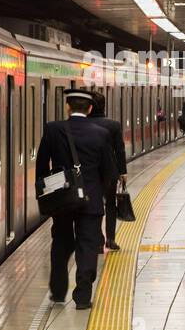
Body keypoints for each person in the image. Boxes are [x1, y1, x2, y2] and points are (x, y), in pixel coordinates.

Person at [36, 88, 117, 309]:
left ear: (68, 108)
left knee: (61, 242)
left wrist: (46, 196)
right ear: (90, 109)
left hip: (62, 199)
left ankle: (59, 291)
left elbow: (42, 166)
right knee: (88, 245)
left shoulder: (53, 130)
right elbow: (110, 171)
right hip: (90, 200)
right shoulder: (101, 133)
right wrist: (98, 191)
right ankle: (82, 297)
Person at [89, 90, 127, 252]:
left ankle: (98, 240)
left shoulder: (83, 125)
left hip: (89, 173)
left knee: (93, 206)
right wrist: (123, 172)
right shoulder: (113, 125)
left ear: (89, 107)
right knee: (110, 205)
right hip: (110, 172)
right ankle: (110, 239)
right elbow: (120, 150)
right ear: (104, 106)